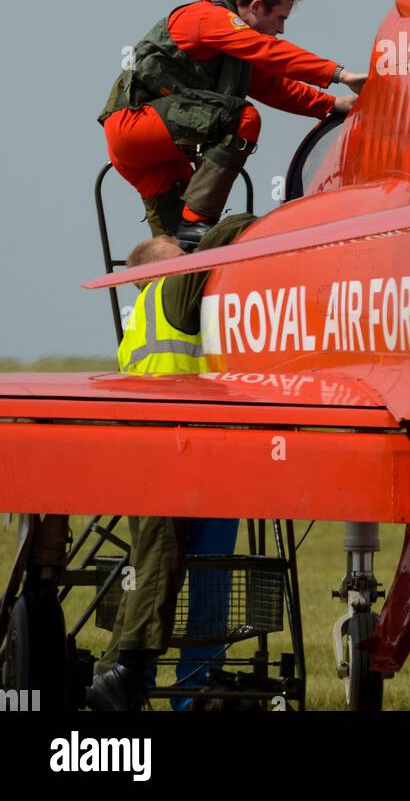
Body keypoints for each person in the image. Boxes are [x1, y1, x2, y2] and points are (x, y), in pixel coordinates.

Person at [87, 212, 254, 712]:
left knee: (177, 567)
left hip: (183, 453)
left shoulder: (142, 313)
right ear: (159, 271)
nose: (190, 261)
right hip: (172, 455)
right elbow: (218, 247)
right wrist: (277, 214)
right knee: (165, 568)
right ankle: (128, 676)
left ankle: (171, 684)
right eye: (180, 255)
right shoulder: (169, 292)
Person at [99, 0, 365, 251]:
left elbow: (273, 86)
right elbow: (269, 51)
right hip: (137, 123)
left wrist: (332, 104)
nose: (281, 30)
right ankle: (198, 223)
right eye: (280, 18)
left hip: (147, 150)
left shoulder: (232, 48)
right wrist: (342, 75)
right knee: (242, 118)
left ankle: (176, 262)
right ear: (256, 6)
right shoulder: (208, 18)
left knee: (176, 251)